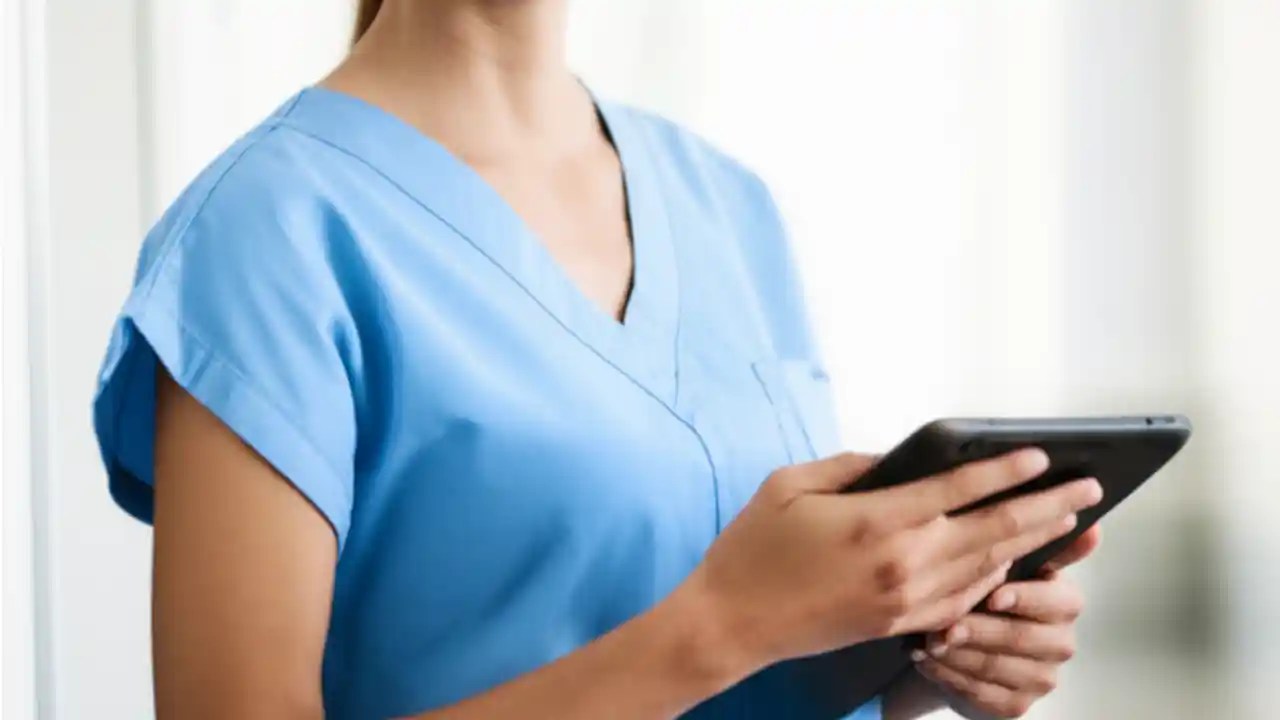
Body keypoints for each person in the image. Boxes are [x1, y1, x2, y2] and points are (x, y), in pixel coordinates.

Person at [92, 1, 1104, 718]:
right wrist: (723, 624)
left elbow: (764, 660)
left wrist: (917, 655)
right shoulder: (268, 235)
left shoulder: (724, 201)